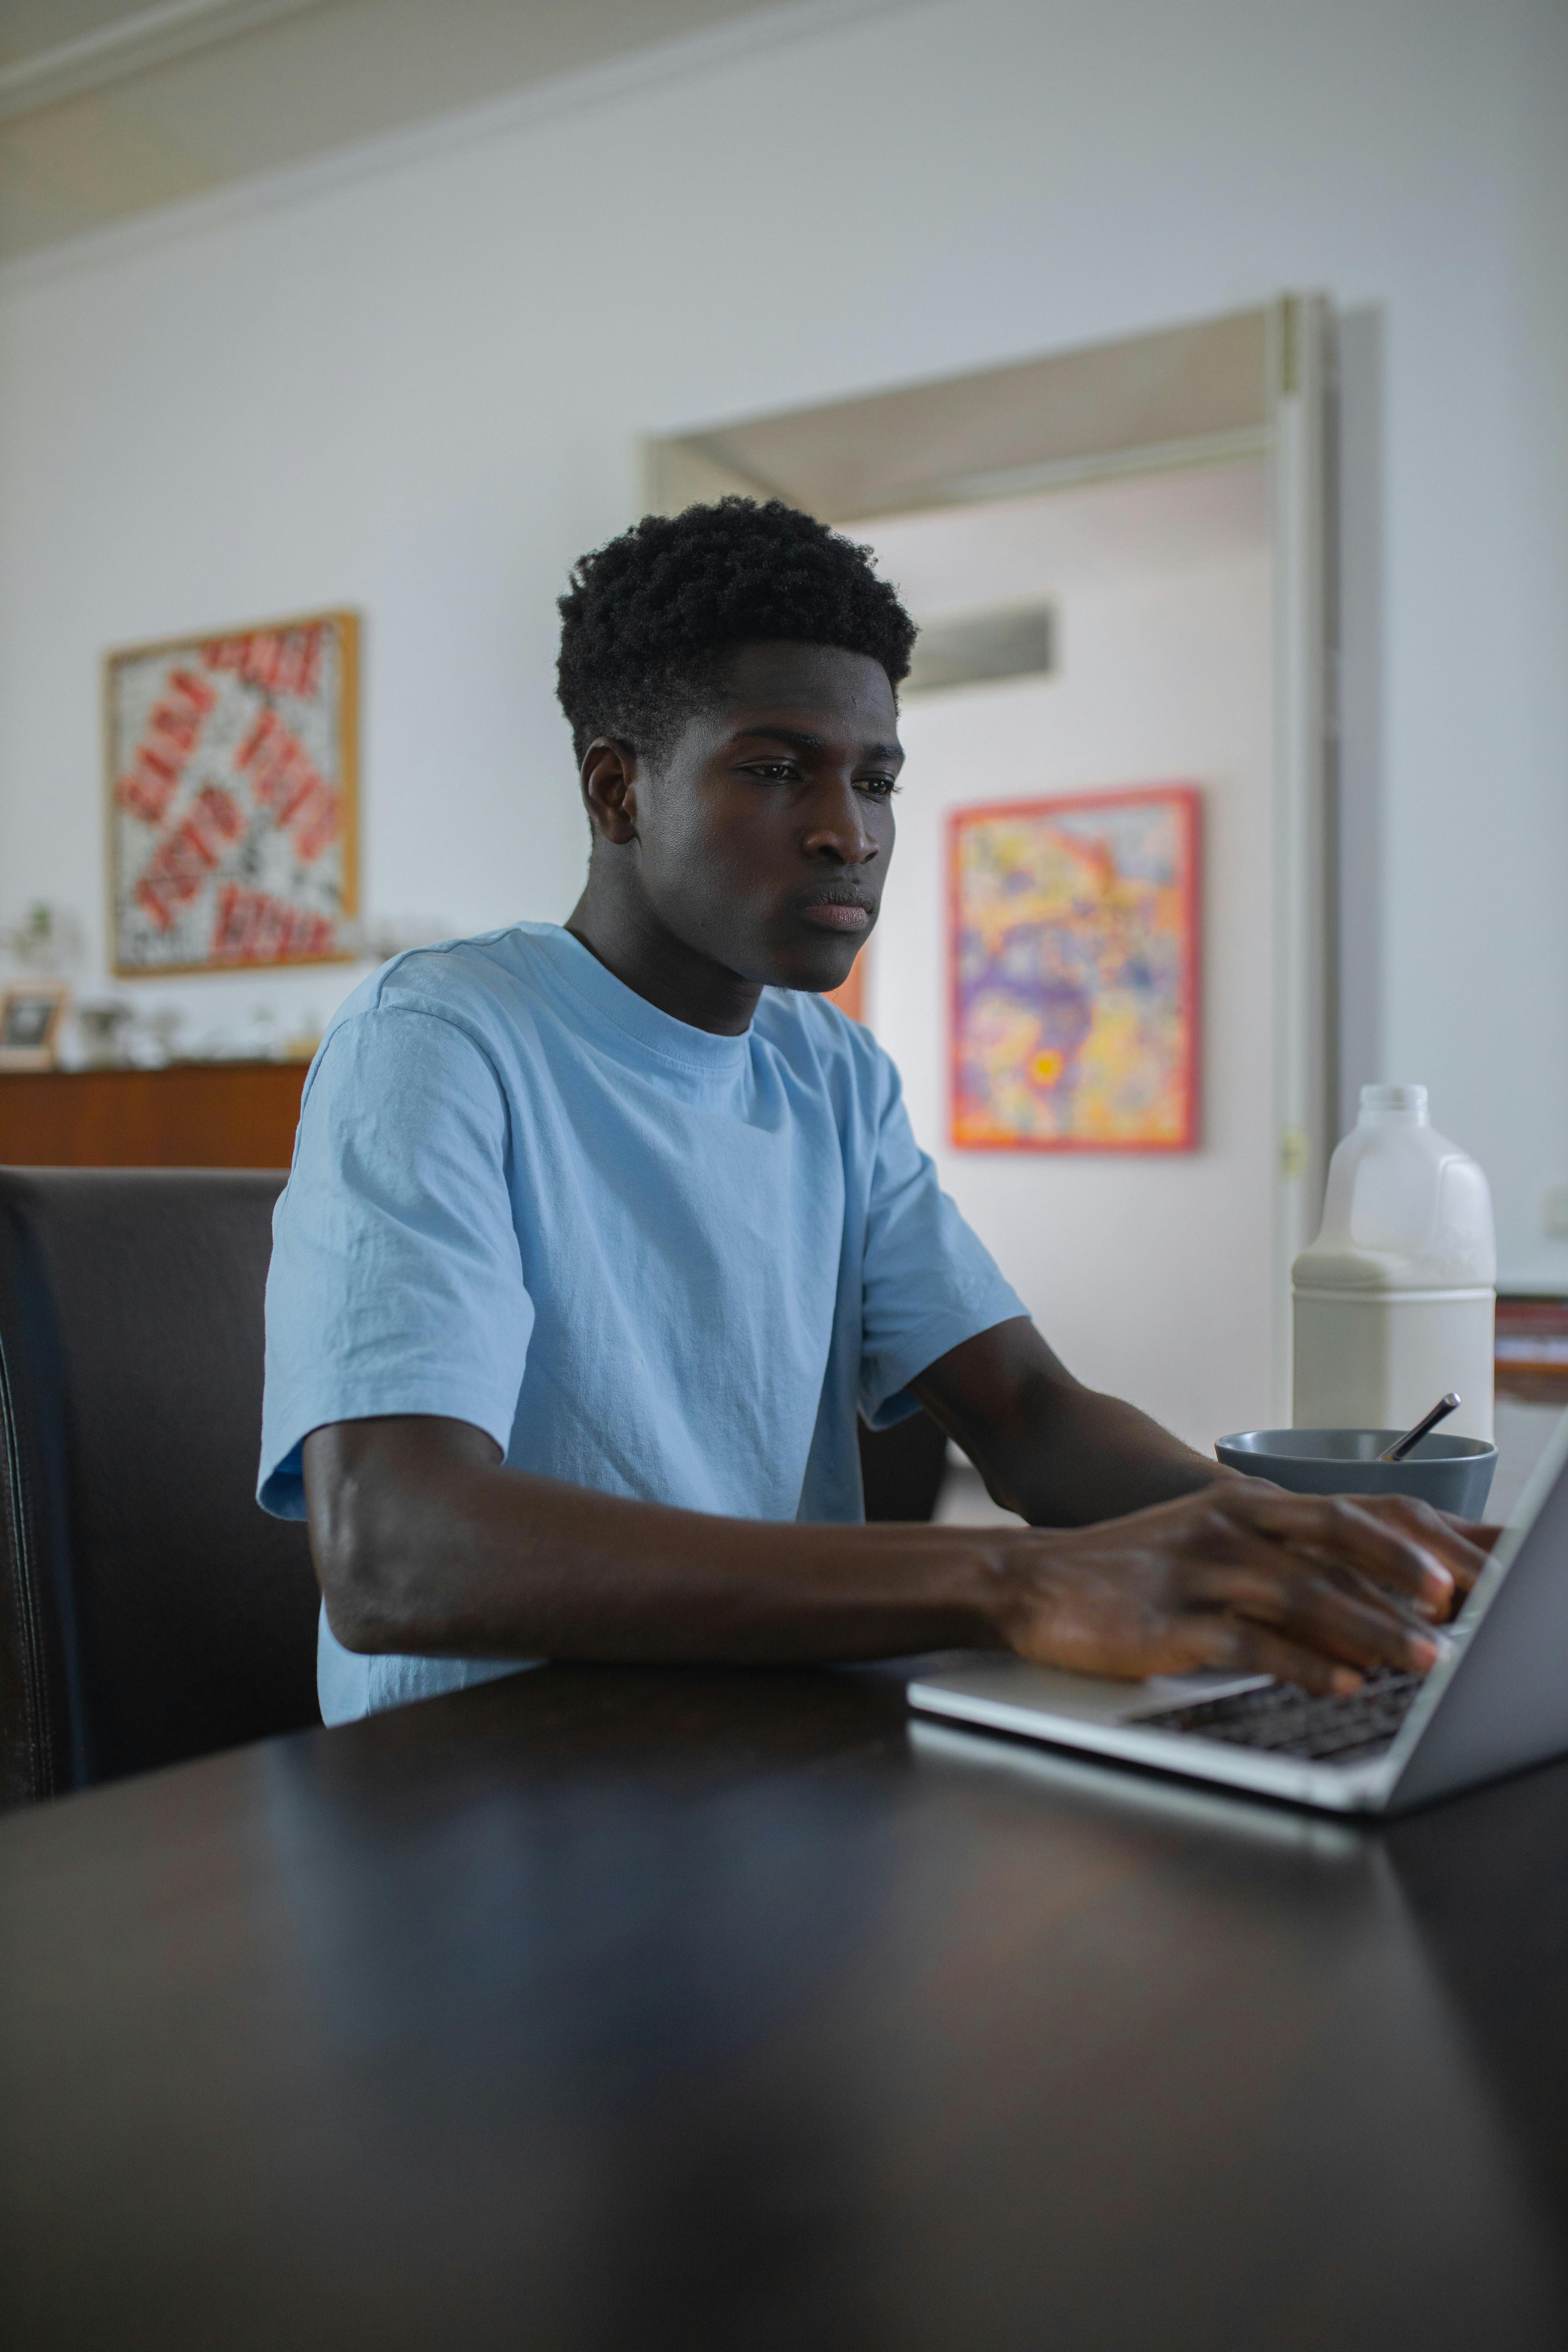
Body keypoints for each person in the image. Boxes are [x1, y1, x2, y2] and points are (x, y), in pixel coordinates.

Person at [259, 498, 1485, 1725]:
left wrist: (1325, 1548)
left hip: (772, 1753)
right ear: (619, 790)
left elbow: (1028, 1416)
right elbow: (394, 1547)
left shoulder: (832, 1074)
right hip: (488, 1781)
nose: (848, 832)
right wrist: (1010, 1582)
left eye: (878, 780)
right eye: (775, 770)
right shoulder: (438, 1043)